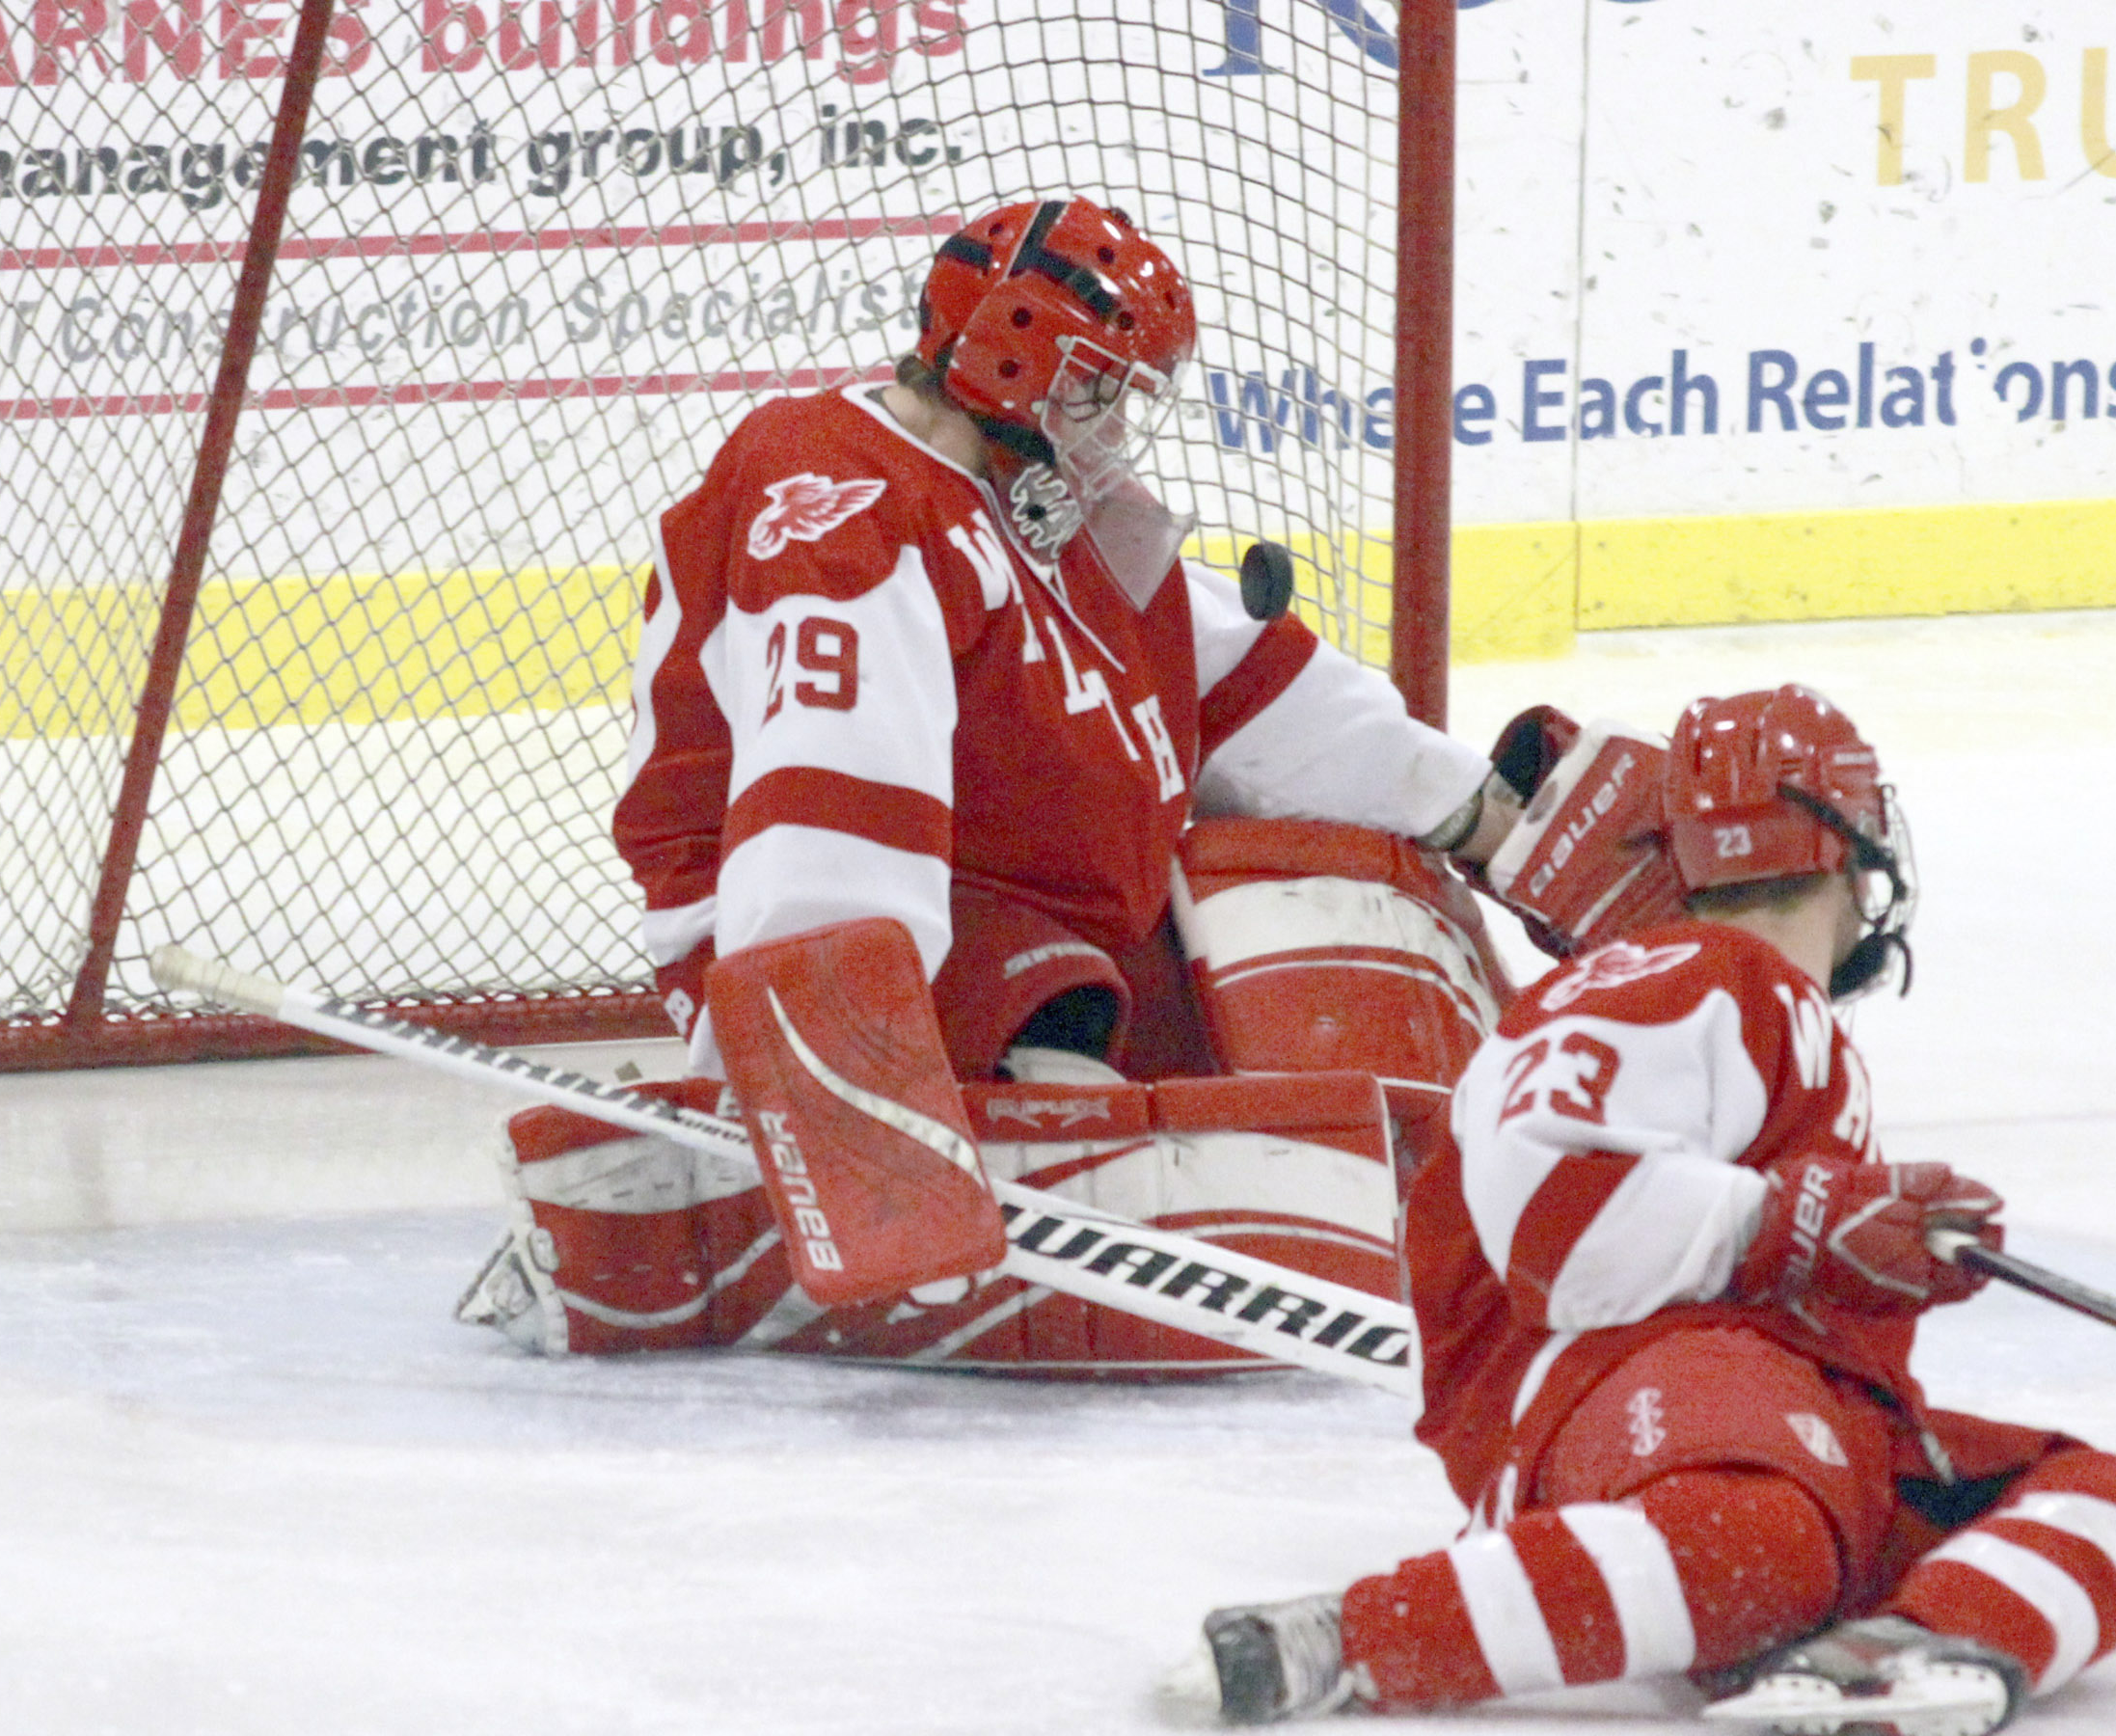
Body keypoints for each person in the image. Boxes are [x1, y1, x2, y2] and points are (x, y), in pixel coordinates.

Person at [454, 196, 1538, 1367]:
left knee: (1333, 1013)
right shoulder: (839, 499)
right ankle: (778, 1193)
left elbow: (1253, 698)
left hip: (1060, 916)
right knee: (1066, 1024)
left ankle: (1074, 1122)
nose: (1115, 420)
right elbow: (827, 807)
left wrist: (1471, 811)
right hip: (859, 944)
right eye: (1096, 386)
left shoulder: (1051, 502)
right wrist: (831, 1086)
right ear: (1012, 356)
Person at [1190, 686, 2116, 1735]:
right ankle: (1344, 1638)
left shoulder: (1754, 1000)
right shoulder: (1676, 974)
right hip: (1607, 1388)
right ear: (1844, 846)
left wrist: (1849, 1242)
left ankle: (1888, 1647)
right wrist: (1799, 1223)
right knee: (1759, 1544)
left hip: (1788, 1413)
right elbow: (1555, 1225)